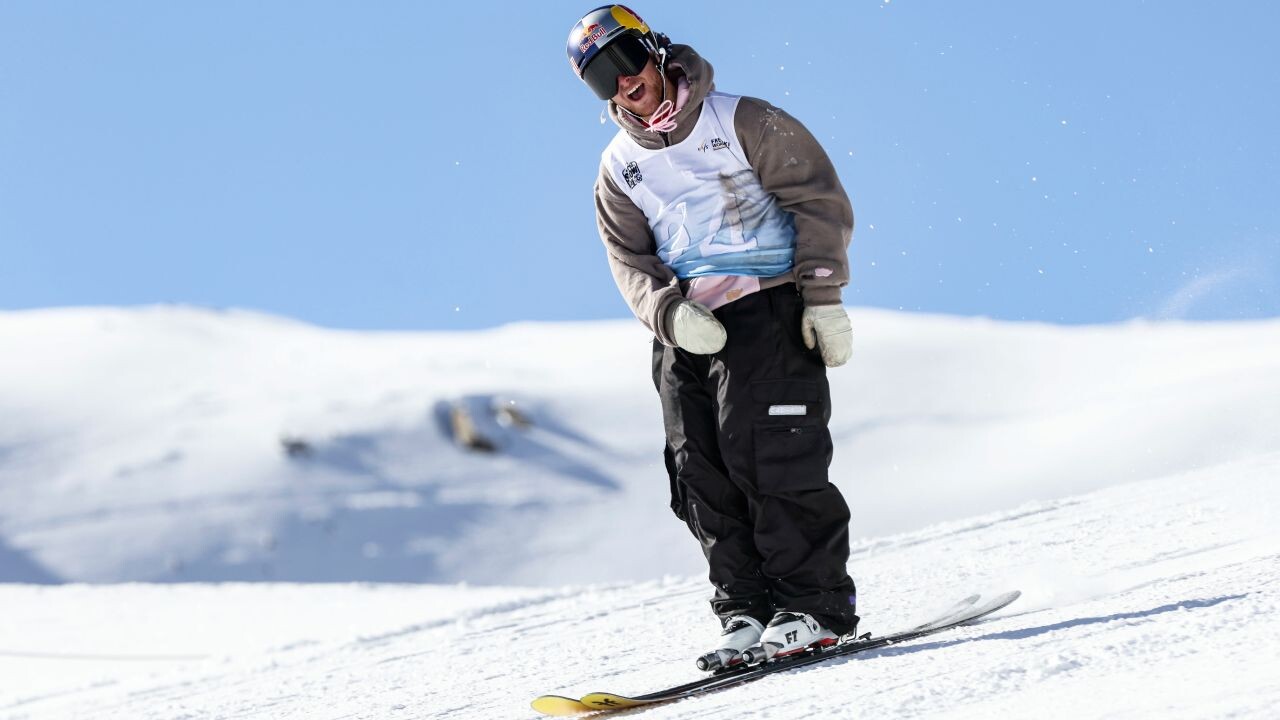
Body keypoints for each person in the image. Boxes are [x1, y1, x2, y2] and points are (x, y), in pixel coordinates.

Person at [565, 5, 859, 670]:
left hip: (769, 306)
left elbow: (816, 199)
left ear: (653, 50)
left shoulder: (742, 119)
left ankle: (811, 604)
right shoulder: (618, 168)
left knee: (769, 454)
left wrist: (822, 297)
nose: (622, 84)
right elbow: (629, 262)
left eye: (625, 61)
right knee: (698, 471)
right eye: (599, 79)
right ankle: (748, 610)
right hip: (686, 332)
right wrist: (668, 315)